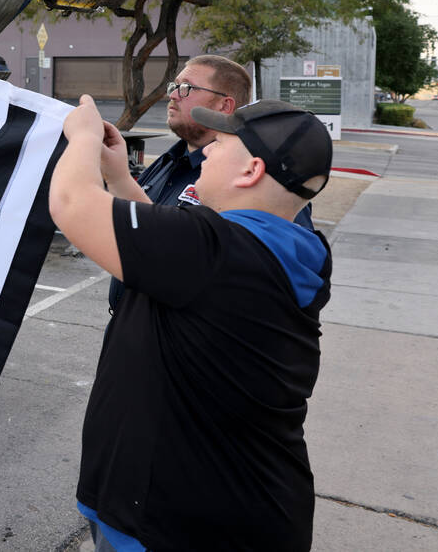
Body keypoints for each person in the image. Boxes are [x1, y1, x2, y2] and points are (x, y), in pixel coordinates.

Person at [50, 96, 333, 552]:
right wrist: (120, 178)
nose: (206, 151)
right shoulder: (279, 248)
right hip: (243, 510)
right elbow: (167, 257)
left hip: (171, 526)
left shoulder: (214, 249)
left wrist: (81, 137)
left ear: (251, 170)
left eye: (220, 143)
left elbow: (71, 203)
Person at [107, 56, 311, 310]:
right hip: (128, 322)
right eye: (174, 86)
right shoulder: (167, 161)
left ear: (225, 105)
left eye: (187, 88)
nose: (173, 95)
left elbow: (278, 280)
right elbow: (138, 228)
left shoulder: (254, 184)